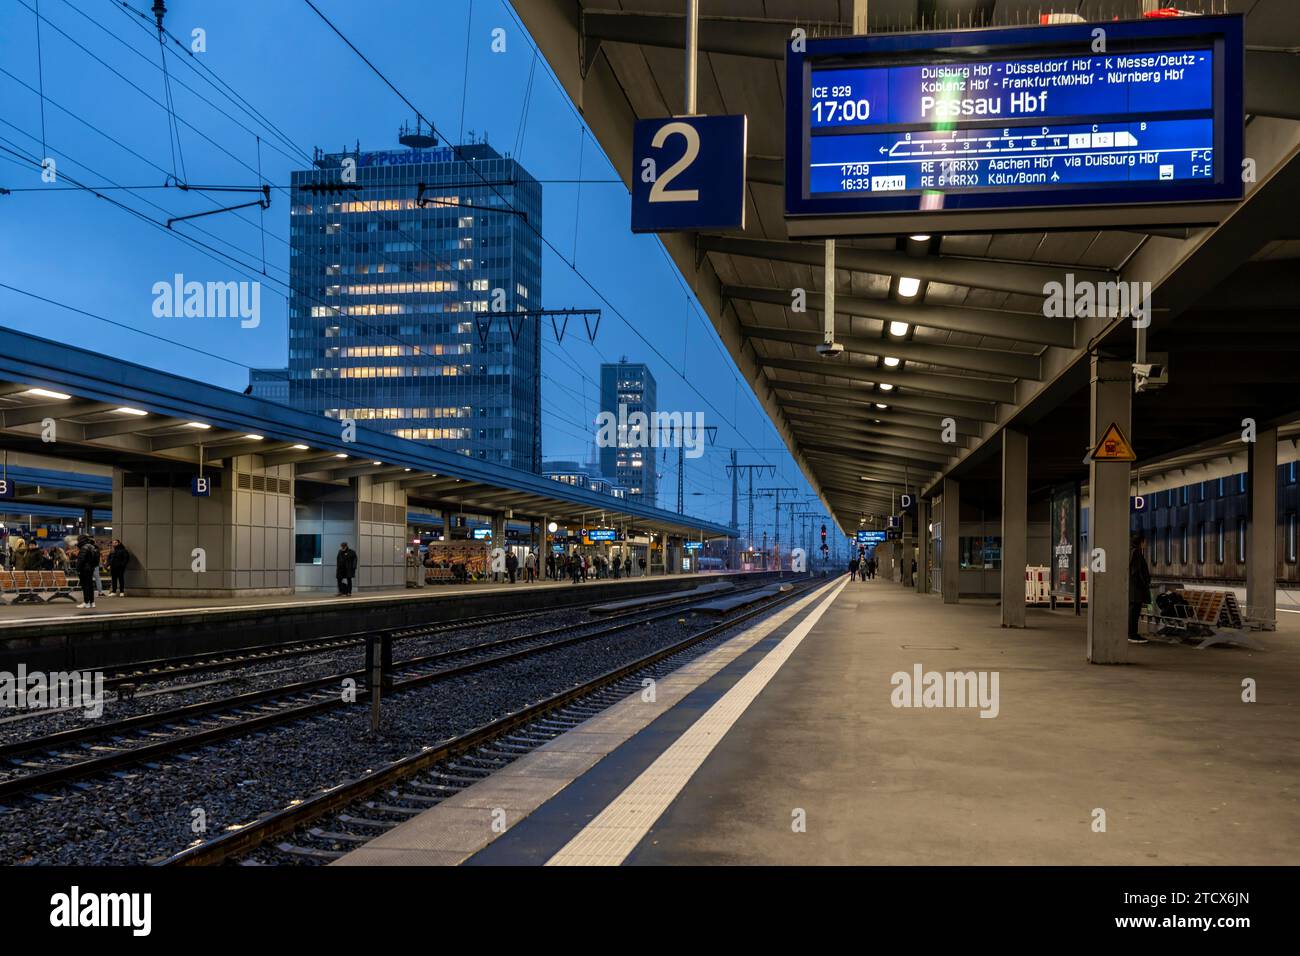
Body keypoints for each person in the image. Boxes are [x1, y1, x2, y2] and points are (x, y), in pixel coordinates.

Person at [1128, 533, 1152, 645]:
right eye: (1145, 541)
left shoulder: (1131, 551)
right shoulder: (1136, 553)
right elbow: (1137, 572)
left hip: (1132, 588)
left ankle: (1131, 633)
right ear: (1141, 542)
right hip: (1136, 589)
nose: (1146, 544)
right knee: (1134, 612)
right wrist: (1145, 583)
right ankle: (1132, 634)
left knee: (1133, 611)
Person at [74, 535, 99, 609]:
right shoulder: (93, 547)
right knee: (90, 586)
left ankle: (86, 602)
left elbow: (81, 560)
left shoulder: (84, 548)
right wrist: (92, 566)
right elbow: (97, 560)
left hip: (84, 570)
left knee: (85, 586)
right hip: (90, 569)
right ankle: (92, 602)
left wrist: (78, 569)